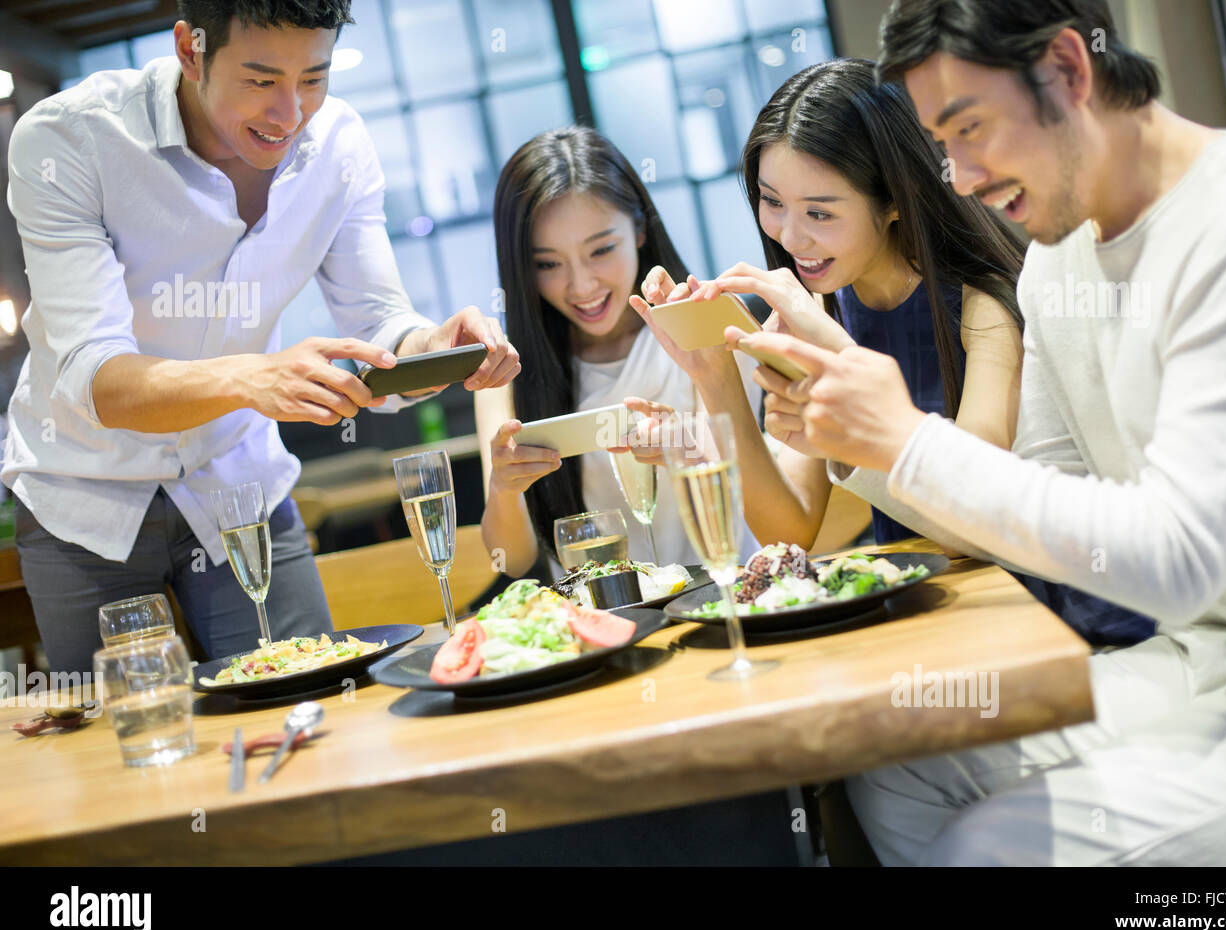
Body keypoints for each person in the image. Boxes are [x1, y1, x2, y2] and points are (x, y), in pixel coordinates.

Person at [735, 0, 1226, 863]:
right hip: (1188, 654)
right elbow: (1035, 520)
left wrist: (900, 439)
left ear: (1070, 69)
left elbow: (1179, 562)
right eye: (940, 142)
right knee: (895, 766)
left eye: (970, 129)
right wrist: (867, 434)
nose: (957, 176)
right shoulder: (1055, 262)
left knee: (989, 848)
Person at [3, 0, 519, 675]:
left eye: (314, 77)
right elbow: (95, 380)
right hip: (83, 495)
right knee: (129, 741)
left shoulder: (339, 146)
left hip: (238, 484)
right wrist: (253, 378)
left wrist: (434, 349)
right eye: (261, 80)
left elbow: (380, 328)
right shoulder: (71, 140)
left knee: (312, 701)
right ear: (191, 50)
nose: (290, 113)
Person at [632, 58, 1152, 645]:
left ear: (895, 201)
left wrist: (833, 357)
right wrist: (716, 377)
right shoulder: (820, 310)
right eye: (771, 201)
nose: (790, 236)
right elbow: (791, 527)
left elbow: (974, 515)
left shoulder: (983, 308)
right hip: (932, 620)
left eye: (820, 212)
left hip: (1042, 620)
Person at [474, 126, 762, 578]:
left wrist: (692, 443)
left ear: (640, 228)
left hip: (724, 596)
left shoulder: (707, 322)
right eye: (548, 264)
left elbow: (767, 490)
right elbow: (511, 563)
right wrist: (505, 488)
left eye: (602, 249)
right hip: (601, 621)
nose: (582, 286)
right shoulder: (506, 371)